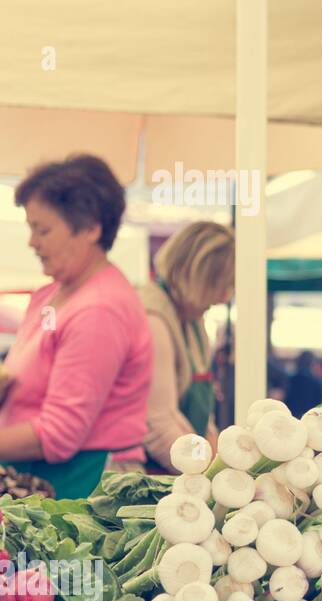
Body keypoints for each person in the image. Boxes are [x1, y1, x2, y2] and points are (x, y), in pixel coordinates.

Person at [0, 155, 152, 498]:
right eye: (30, 228)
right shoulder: (51, 294)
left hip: (79, 488)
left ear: (90, 229)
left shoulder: (99, 311)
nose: (32, 242)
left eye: (43, 230)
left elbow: (58, 434)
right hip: (34, 480)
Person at [139, 221, 235, 472]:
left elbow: (204, 419)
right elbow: (158, 424)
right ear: (195, 275)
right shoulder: (152, 319)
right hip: (153, 470)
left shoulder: (194, 321)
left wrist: (219, 460)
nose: (225, 297)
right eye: (221, 285)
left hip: (183, 466)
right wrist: (207, 475)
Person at [284, 351, 322, 419]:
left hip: (293, 416)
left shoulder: (292, 380)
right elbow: (320, 404)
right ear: (312, 363)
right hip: (310, 418)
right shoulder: (316, 382)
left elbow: (287, 399)